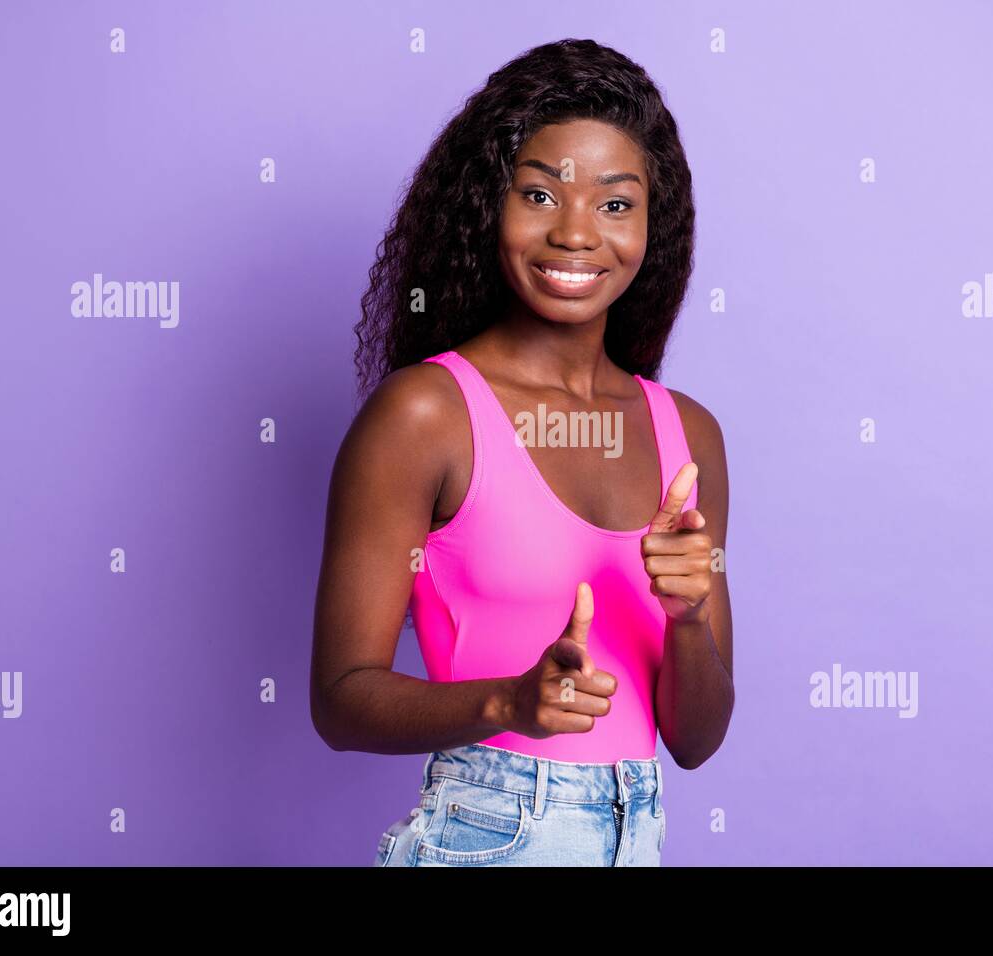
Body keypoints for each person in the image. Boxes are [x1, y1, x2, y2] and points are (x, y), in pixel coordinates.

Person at [310, 38, 733, 866]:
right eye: (539, 194)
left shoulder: (689, 434)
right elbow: (339, 699)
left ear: (655, 224)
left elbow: (696, 739)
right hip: (490, 832)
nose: (575, 233)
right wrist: (511, 700)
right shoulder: (426, 414)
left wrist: (687, 621)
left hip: (637, 835)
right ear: (486, 208)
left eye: (615, 204)